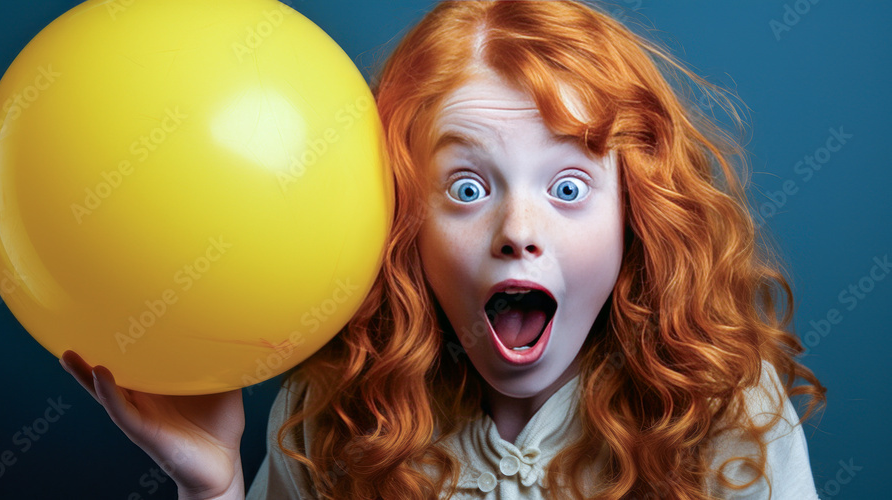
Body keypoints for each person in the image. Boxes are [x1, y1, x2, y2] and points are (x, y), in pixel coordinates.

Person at [61, 1, 827, 498]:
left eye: (567, 189)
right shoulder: (328, 417)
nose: (517, 231)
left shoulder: (726, 411)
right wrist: (218, 490)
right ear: (402, 226)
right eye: (466, 189)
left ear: (637, 213)